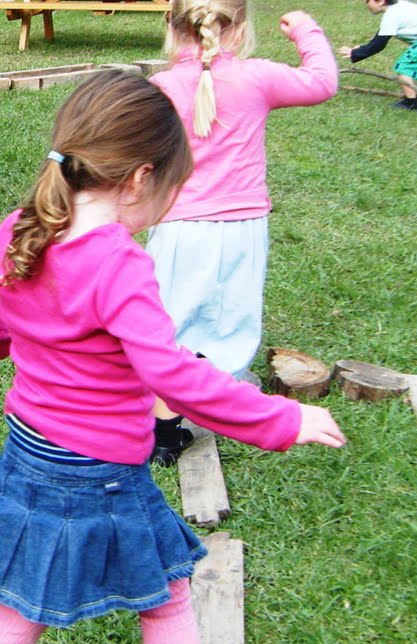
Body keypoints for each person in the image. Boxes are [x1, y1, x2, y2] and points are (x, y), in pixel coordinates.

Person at [0, 71, 345, 644]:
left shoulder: (24, 226)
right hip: (100, 473)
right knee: (165, 595)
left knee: (28, 606)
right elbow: (175, 377)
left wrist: (14, 345)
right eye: (172, 189)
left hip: (30, 450)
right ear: (141, 178)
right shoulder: (118, 263)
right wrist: (279, 420)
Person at [143, 0, 338, 466]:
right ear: (240, 27)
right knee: (229, 319)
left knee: (171, 328)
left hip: (179, 229)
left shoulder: (159, 88)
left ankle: (163, 433)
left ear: (170, 26)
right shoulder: (259, 76)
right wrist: (306, 30)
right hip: (244, 227)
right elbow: (324, 82)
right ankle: (220, 400)